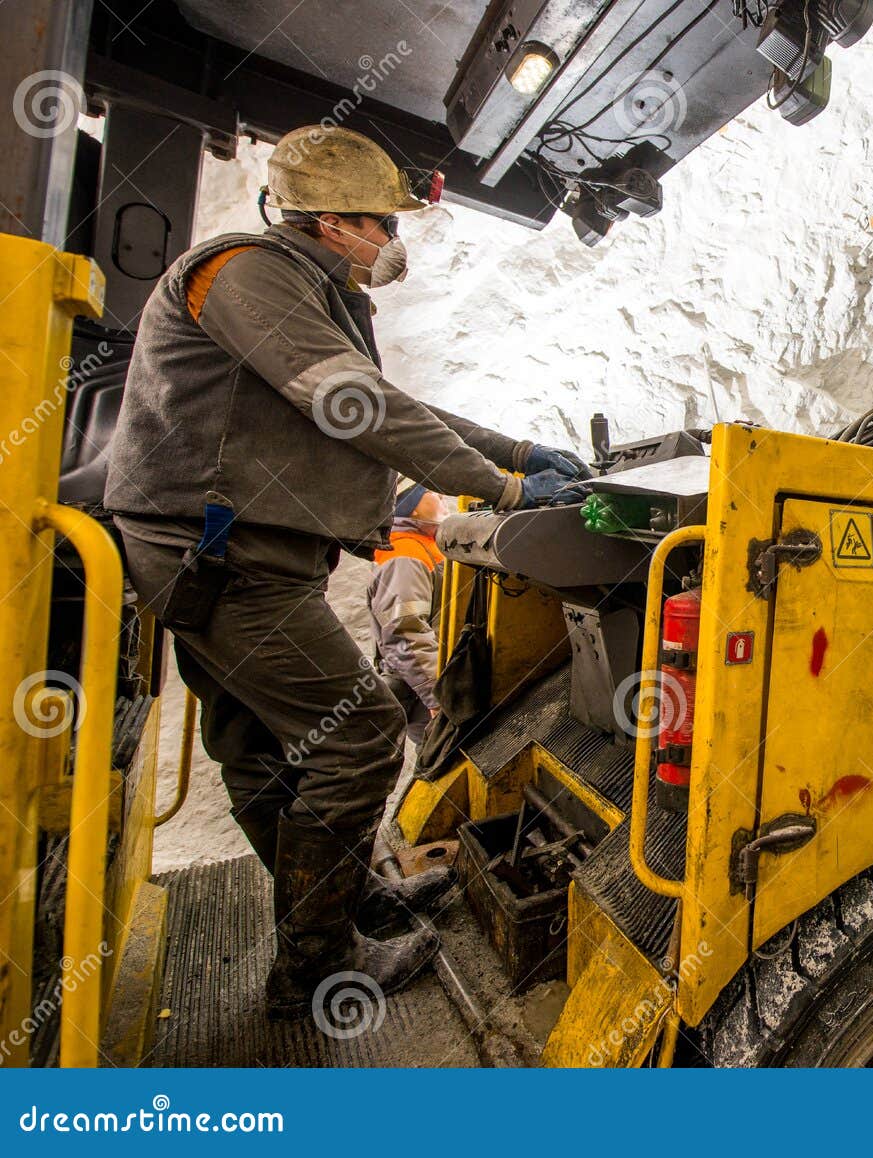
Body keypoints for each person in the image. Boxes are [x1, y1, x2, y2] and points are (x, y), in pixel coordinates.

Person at [104, 125, 587, 1020]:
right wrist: (506, 486)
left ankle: (346, 902)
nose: (391, 241)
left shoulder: (302, 288)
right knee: (360, 730)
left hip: (235, 557)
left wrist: (515, 450)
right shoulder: (245, 273)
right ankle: (318, 966)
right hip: (221, 559)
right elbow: (350, 401)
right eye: (381, 222)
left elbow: (393, 403)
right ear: (331, 220)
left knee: (257, 752)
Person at [369, 480, 448, 746]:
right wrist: (438, 697)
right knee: (445, 759)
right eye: (430, 491)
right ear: (412, 508)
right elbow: (405, 632)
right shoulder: (404, 555)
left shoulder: (422, 544)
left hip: (431, 682)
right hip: (423, 695)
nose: (439, 495)